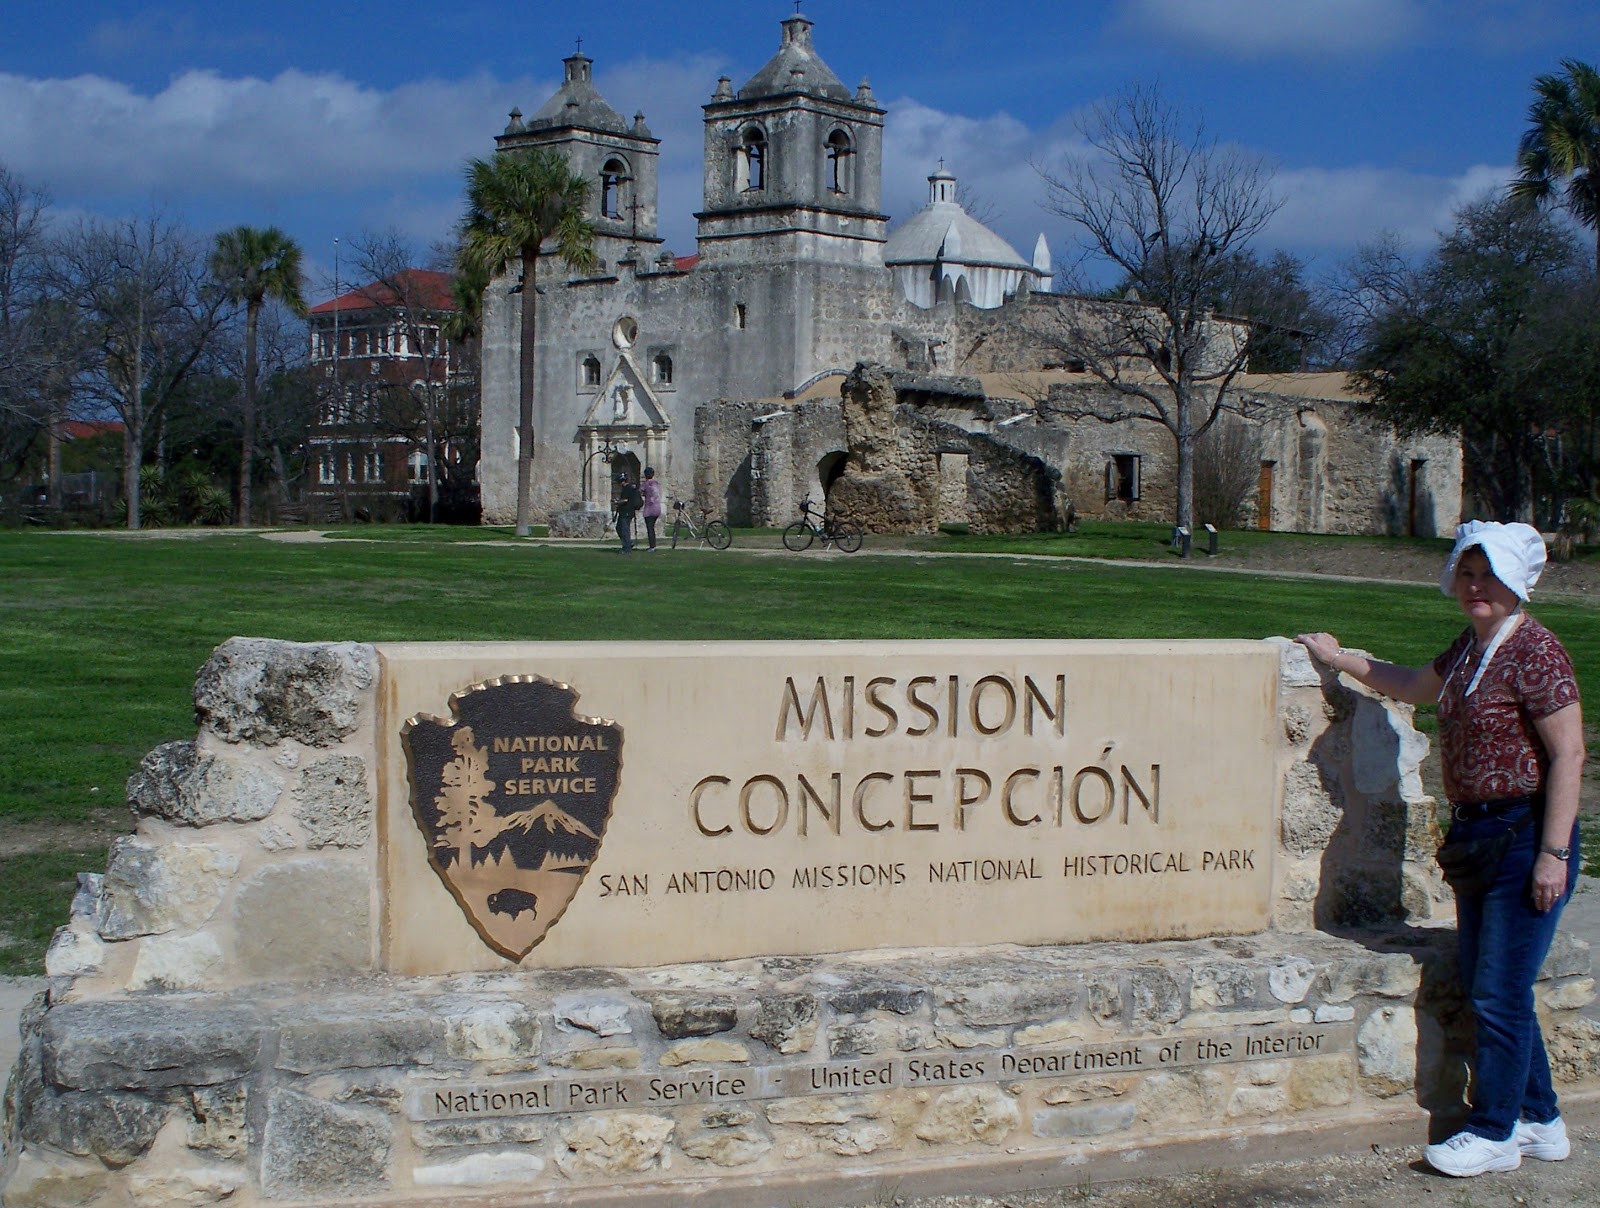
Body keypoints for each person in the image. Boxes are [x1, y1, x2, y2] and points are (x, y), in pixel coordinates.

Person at [1296, 521, 1582, 1179]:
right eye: (1469, 575)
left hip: (1523, 837)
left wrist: (1554, 855)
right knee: (1495, 984)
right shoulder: (1473, 649)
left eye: (1489, 576)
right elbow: (1416, 685)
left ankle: (1494, 1131)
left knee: (1498, 994)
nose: (1476, 587)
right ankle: (1541, 1121)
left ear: (1514, 583)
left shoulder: (1536, 651)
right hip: (1480, 838)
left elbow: (1569, 752)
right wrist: (1341, 660)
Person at [613, 472, 642, 553]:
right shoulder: (629, 488)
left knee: (624, 529)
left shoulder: (627, 488)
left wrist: (617, 502)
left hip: (627, 511)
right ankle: (628, 543)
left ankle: (626, 547)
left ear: (622, 481)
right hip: (625, 512)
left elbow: (625, 500)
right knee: (619, 528)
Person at [639, 467, 663, 552]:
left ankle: (652, 546)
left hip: (649, 508)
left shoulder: (645, 484)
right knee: (651, 527)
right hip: (657, 507)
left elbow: (640, 492)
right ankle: (653, 545)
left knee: (650, 528)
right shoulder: (656, 483)